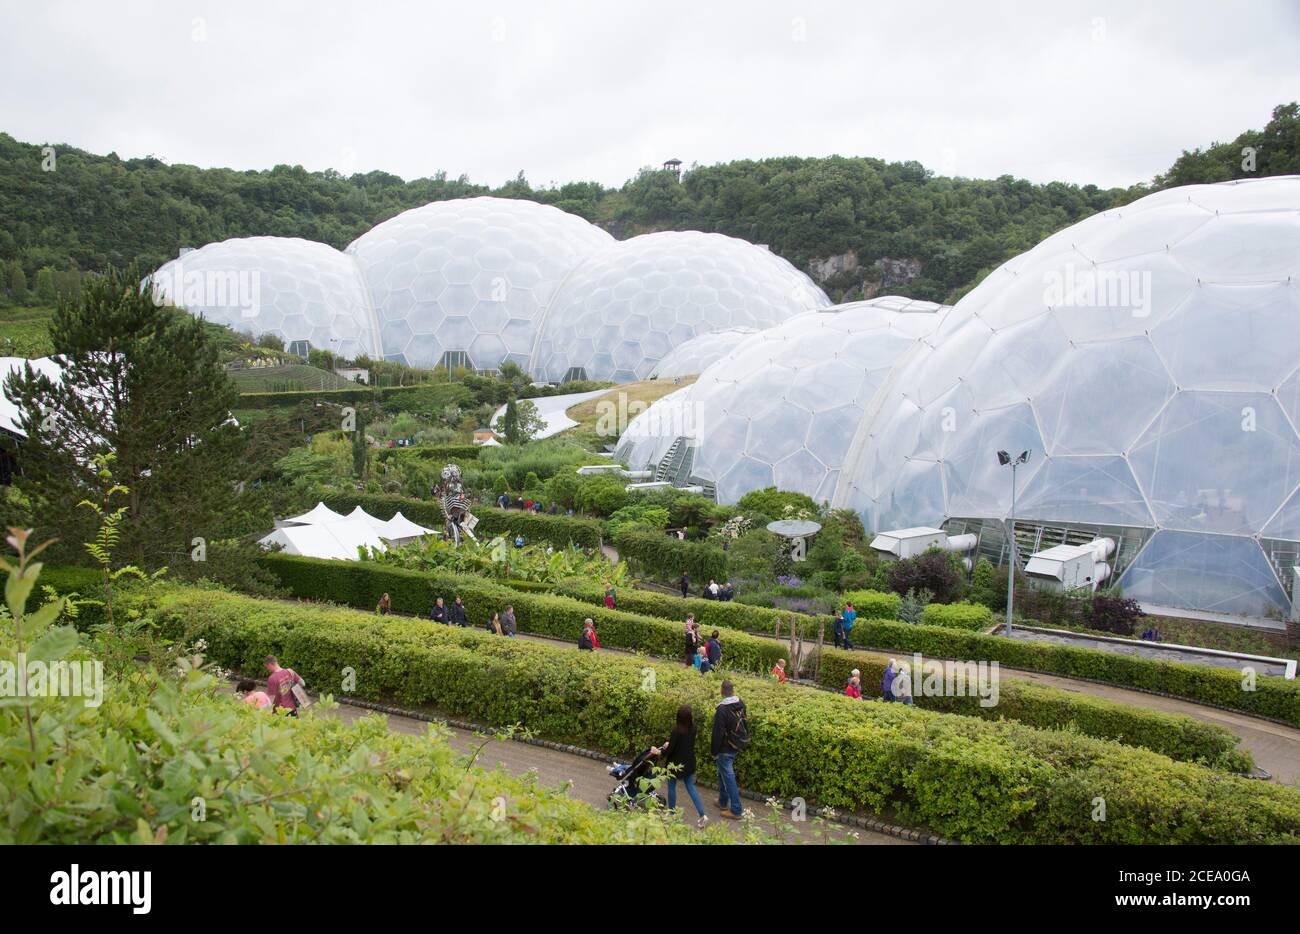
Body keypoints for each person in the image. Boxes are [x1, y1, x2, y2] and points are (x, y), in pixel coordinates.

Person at [650, 704, 708, 828]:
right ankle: (702, 815)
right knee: (691, 788)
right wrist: (670, 743)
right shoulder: (694, 728)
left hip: (674, 765)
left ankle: (671, 813)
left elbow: (670, 750)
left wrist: (659, 752)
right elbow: (684, 744)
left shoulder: (676, 731)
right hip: (689, 763)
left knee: (671, 787)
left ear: (678, 717)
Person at [710, 680, 749, 821]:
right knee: (723, 773)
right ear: (732, 690)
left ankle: (736, 810)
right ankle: (722, 801)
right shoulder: (741, 703)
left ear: (721, 691)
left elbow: (717, 733)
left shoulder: (722, 709)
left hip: (725, 747)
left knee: (728, 777)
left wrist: (714, 751)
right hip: (737, 743)